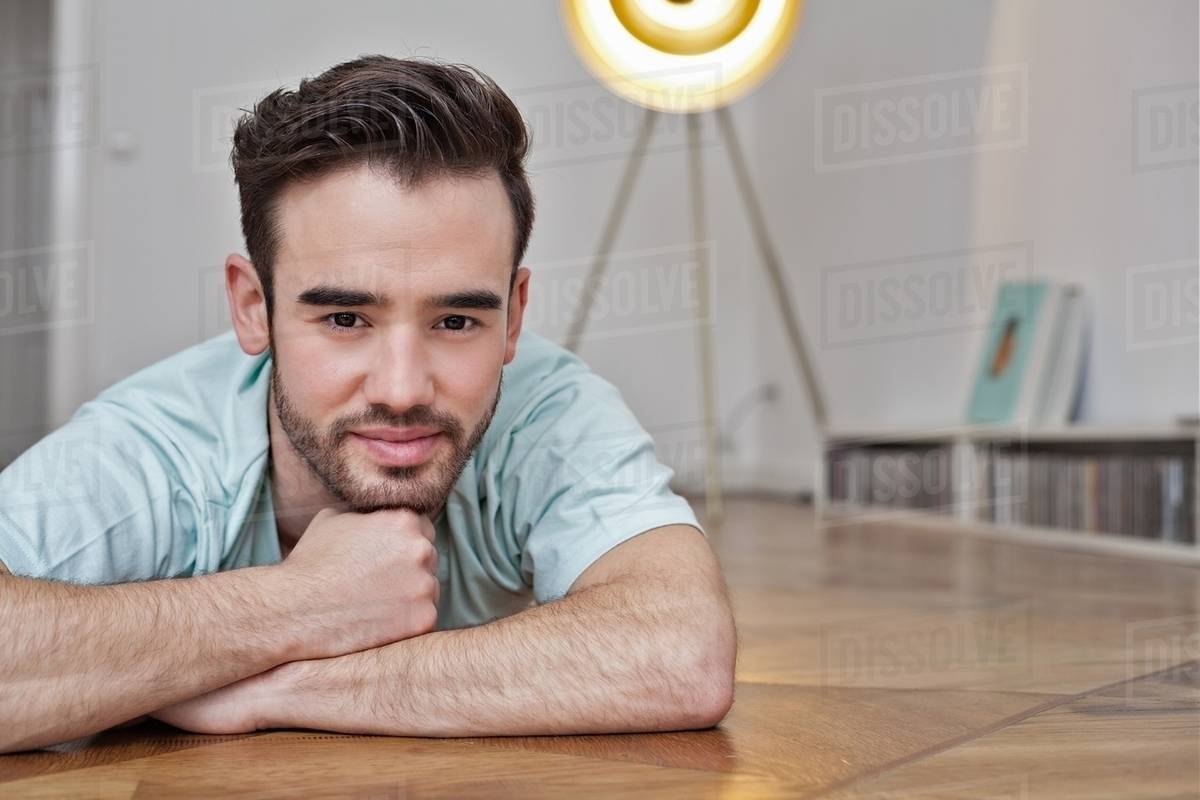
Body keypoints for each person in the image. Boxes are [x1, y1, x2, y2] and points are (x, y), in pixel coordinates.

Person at [0, 55, 735, 752]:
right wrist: (299, 603)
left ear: (513, 316)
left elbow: (682, 651)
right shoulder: (154, 449)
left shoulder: (547, 410)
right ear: (253, 307)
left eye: (456, 321)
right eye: (345, 319)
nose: (402, 390)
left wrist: (278, 689)